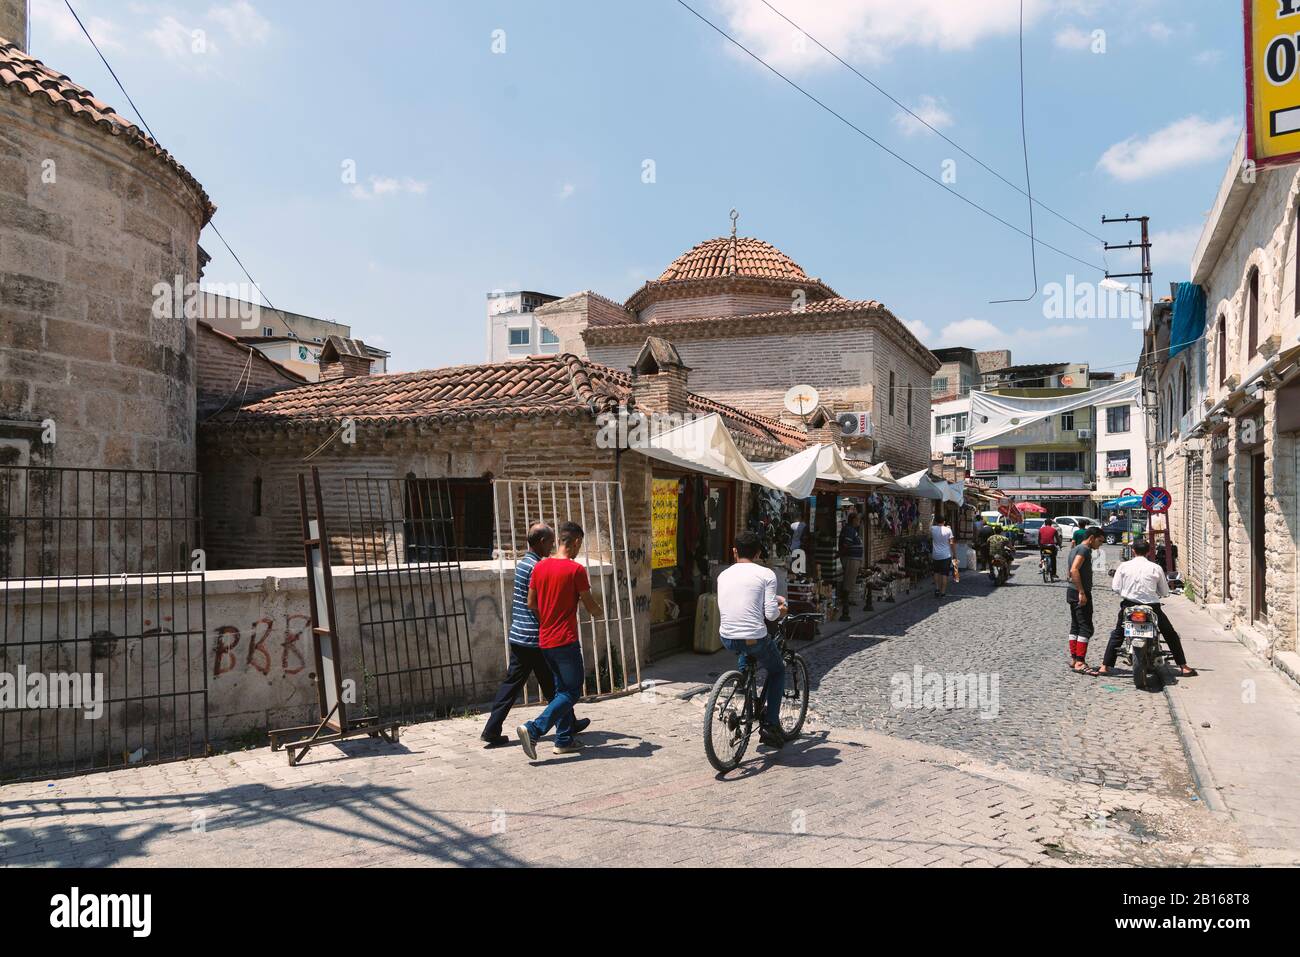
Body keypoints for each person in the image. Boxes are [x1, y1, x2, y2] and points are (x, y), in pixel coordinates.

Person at [480, 523, 589, 747]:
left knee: (537, 684)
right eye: (550, 542)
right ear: (541, 542)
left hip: (519, 633)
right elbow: (536, 605)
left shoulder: (524, 563)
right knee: (559, 686)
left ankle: (566, 726)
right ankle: (550, 728)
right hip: (534, 636)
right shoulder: (538, 567)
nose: (552, 547)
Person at [516, 521, 602, 759]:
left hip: (545, 640)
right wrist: (600, 612)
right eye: (580, 545)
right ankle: (533, 729)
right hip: (565, 640)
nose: (578, 550)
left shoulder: (540, 567)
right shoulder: (575, 570)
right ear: (574, 542)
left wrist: (548, 619)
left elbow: (531, 603)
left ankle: (563, 739)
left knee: (561, 691)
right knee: (572, 692)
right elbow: (590, 604)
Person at [716, 530, 788, 749]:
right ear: (758, 553)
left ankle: (744, 681)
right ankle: (771, 725)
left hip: (727, 636)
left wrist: (771, 598)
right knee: (778, 670)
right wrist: (782, 609)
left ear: (735, 551)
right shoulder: (766, 574)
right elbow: (771, 615)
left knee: (745, 652)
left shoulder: (723, 575)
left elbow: (740, 597)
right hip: (754, 638)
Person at [1098, 540, 1197, 677]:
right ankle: (1183, 667)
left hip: (1129, 605)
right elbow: (1164, 591)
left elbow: (1115, 587)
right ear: (1149, 552)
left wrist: (1127, 592)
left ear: (1133, 551)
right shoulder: (1155, 568)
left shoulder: (1124, 566)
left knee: (1117, 634)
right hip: (1151, 607)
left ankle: (1105, 666)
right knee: (1170, 634)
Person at [1066, 526, 1106, 675]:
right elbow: (1074, 569)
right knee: (1086, 627)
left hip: (1071, 590)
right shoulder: (1083, 550)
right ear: (1091, 538)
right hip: (1079, 592)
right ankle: (1080, 662)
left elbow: (1069, 571)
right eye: (1099, 541)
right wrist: (1082, 592)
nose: (1100, 545)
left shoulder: (1074, 549)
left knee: (1076, 625)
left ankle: (1074, 659)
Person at [837, 509, 865, 622]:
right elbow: (846, 545)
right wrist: (840, 554)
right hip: (851, 559)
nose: (859, 522)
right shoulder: (849, 530)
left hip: (853, 559)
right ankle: (845, 607)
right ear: (853, 520)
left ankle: (846, 603)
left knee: (850, 580)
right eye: (858, 519)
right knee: (848, 581)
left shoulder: (852, 530)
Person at [930, 514, 955, 598]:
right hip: (946, 555)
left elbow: (929, 527)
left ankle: (937, 589)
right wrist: (954, 553)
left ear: (936, 521)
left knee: (936, 572)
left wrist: (932, 518)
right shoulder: (948, 530)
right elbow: (951, 543)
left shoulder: (933, 529)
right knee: (944, 574)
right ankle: (943, 592)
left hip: (935, 555)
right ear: (944, 521)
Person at [1037, 517, 1061, 581]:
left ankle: (1041, 562)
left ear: (1045, 523)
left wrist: (1039, 545)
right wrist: (1059, 545)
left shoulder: (1041, 530)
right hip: (1051, 546)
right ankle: (1053, 573)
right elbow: (1058, 539)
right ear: (1051, 524)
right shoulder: (1054, 530)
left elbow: (1039, 539)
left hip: (1043, 546)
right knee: (1053, 558)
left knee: (1042, 554)